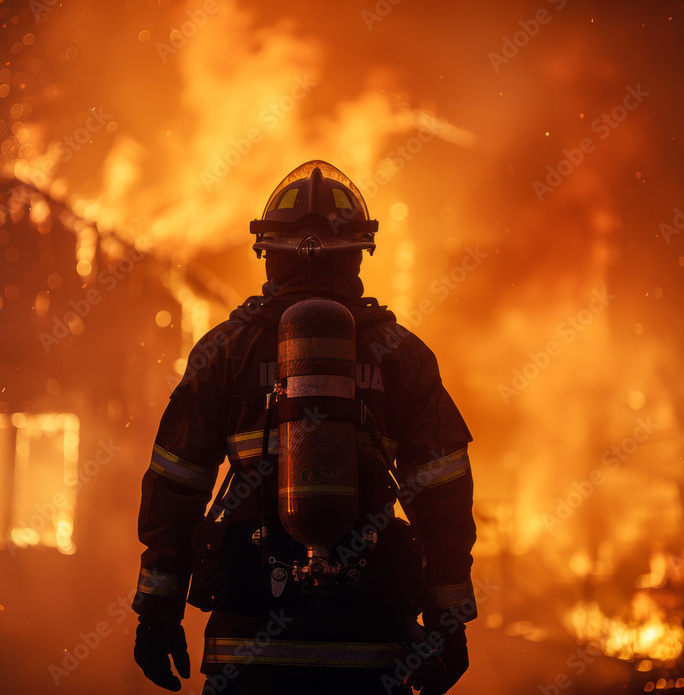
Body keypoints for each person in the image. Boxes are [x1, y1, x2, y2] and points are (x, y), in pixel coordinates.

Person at [133, 160, 476, 694]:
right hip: (373, 649)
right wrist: (447, 620)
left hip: (247, 648)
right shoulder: (402, 355)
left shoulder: (225, 351)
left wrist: (158, 612)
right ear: (359, 253)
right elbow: (443, 495)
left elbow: (175, 487)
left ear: (267, 253)